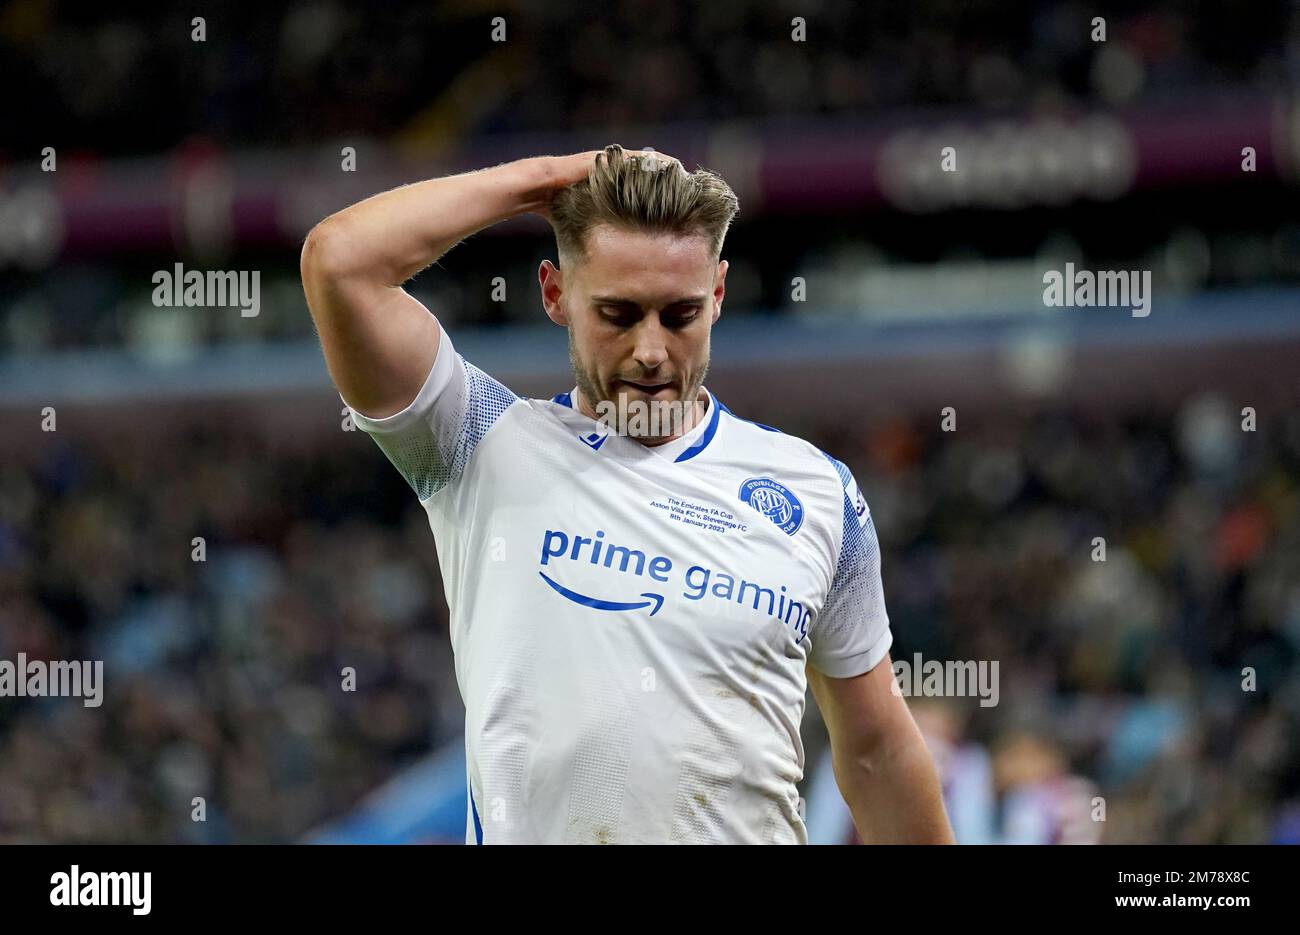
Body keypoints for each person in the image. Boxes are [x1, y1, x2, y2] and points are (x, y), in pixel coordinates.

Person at [299, 143, 953, 844]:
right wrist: (540, 180)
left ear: (719, 296)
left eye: (680, 315)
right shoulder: (479, 444)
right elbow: (341, 262)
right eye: (618, 313)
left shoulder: (816, 494)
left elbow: (877, 751)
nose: (650, 349)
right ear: (555, 293)